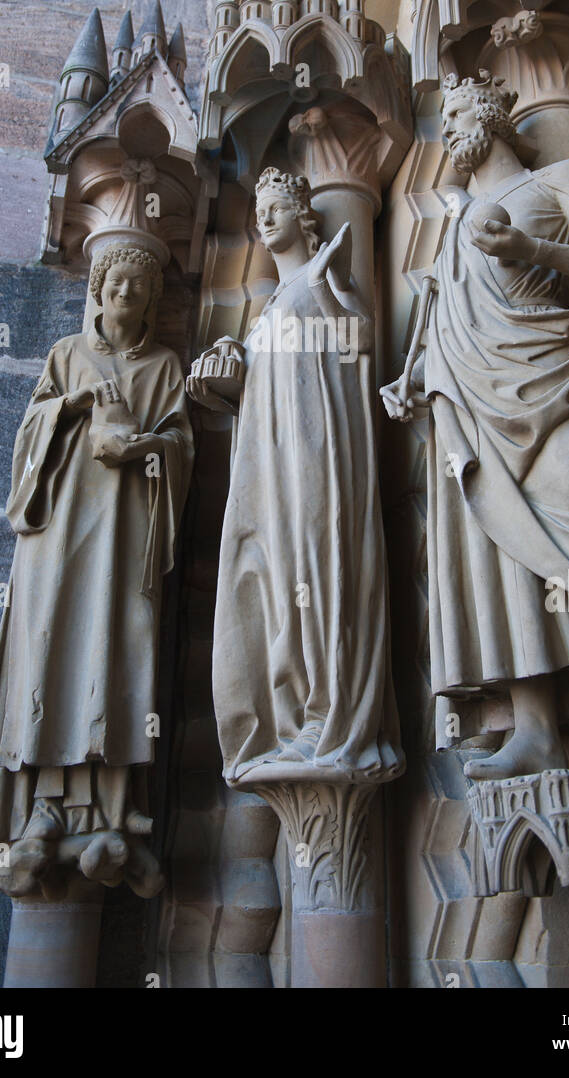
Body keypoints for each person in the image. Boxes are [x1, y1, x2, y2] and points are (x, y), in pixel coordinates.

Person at [381, 71, 569, 780]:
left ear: (490, 112)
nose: (447, 129)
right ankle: (535, 726)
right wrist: (414, 381)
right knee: (502, 553)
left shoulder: (559, 179)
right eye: (443, 118)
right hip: (474, 408)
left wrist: (530, 250)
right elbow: (450, 331)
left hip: (552, 383)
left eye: (456, 112)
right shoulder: (453, 227)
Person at [0, 238, 193, 891]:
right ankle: (37, 809)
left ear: (152, 297)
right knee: (48, 647)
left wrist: (145, 446)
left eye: (138, 286)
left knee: (115, 649)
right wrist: (71, 406)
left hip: (123, 535)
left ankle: (113, 811)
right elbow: (29, 434)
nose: (125, 294)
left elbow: (180, 444)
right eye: (116, 282)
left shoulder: (161, 366)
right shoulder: (67, 356)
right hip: (56, 532)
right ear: (98, 287)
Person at [189, 167, 402, 786]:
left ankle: (329, 716)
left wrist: (338, 297)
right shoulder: (264, 312)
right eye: (259, 210)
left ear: (305, 215)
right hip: (269, 471)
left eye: (277, 207)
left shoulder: (323, 276)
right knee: (277, 578)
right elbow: (257, 385)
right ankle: (288, 718)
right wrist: (227, 367)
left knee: (320, 567)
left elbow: (358, 341)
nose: (264, 219)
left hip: (319, 456)